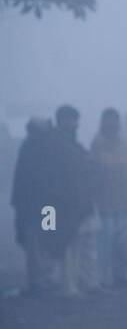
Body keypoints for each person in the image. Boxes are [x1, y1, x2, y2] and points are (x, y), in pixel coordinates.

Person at [90, 108, 127, 289]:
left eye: (115, 121)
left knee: (123, 244)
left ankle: (120, 276)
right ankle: (105, 278)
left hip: (126, 204)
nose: (112, 125)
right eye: (109, 121)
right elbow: (92, 176)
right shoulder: (97, 145)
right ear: (103, 122)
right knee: (105, 244)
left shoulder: (126, 145)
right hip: (105, 204)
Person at [48, 105, 99, 295]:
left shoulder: (72, 144)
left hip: (81, 202)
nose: (75, 124)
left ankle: (87, 283)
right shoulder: (55, 144)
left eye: (75, 120)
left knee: (84, 244)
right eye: (70, 119)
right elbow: (54, 178)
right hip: (63, 204)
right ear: (61, 121)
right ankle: (70, 288)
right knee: (69, 246)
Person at [10, 117, 58, 293]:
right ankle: (39, 279)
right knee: (37, 240)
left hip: (45, 205)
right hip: (36, 206)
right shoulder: (33, 149)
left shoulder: (38, 148)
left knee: (45, 239)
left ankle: (44, 277)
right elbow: (22, 180)